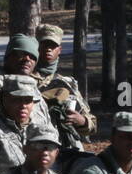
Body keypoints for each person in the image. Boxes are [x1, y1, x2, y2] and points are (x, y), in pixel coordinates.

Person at [33, 23, 97, 153]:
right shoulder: (24, 79)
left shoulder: (67, 83)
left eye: (53, 46)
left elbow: (92, 125)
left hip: (64, 147)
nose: (48, 49)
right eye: (44, 45)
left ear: (59, 50)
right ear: (36, 47)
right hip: (33, 146)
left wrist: (81, 121)